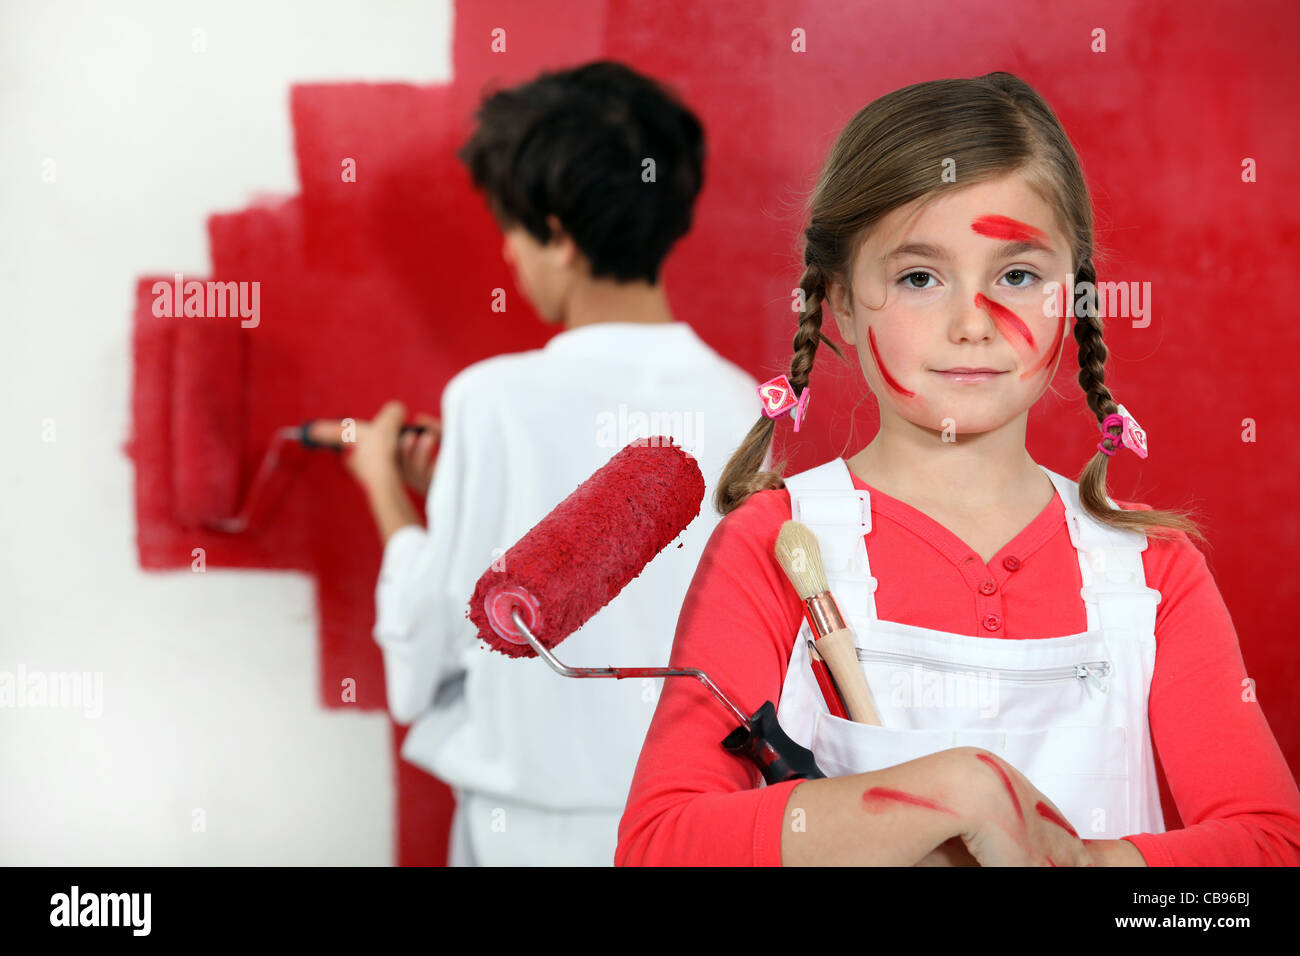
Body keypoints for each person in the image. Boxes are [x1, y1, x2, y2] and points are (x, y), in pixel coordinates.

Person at [615, 72, 1300, 866]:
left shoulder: (1154, 576)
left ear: (1073, 298)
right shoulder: (774, 545)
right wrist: (957, 791)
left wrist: (1088, 863)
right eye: (918, 277)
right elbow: (660, 848)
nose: (973, 322)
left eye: (1017, 276)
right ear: (838, 300)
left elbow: (1269, 853)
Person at [342, 60, 763, 865]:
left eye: (512, 229)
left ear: (560, 237)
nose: (507, 254)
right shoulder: (741, 405)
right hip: (697, 824)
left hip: (527, 837)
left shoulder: (491, 398)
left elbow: (426, 647)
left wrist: (389, 498)